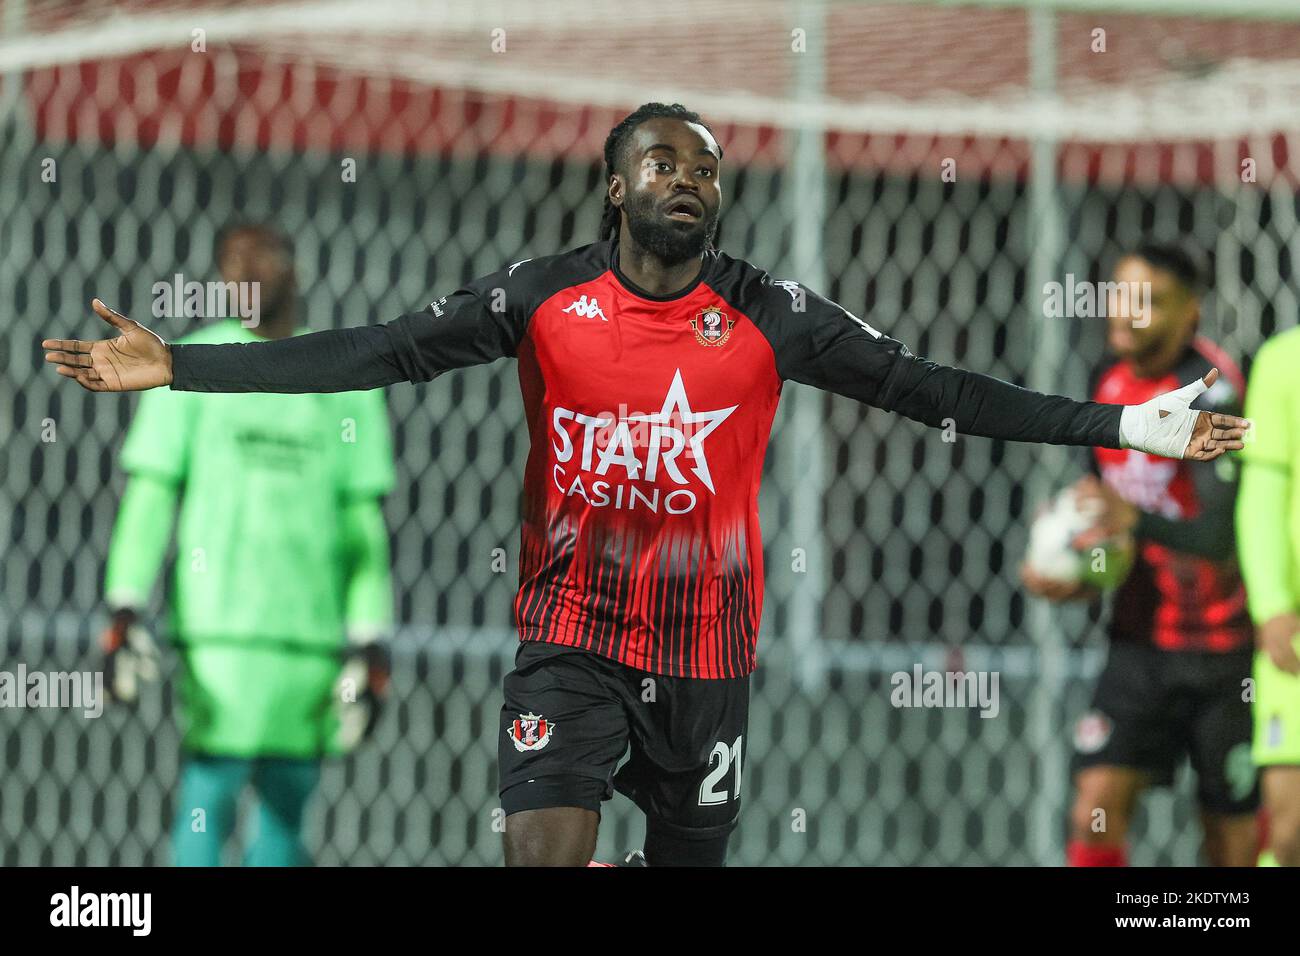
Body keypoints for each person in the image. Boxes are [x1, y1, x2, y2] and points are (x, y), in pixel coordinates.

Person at [45, 103, 1248, 867]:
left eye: (708, 170)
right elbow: (381, 349)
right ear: (617, 186)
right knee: (540, 845)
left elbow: (938, 389)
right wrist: (185, 366)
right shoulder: (542, 295)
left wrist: (1126, 418)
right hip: (569, 635)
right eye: (663, 162)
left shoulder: (772, 314)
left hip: (708, 656)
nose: (690, 180)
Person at [98, 223, 396, 865]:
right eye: (230, 265)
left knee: (286, 816)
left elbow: (361, 525)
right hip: (217, 636)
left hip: (309, 641)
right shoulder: (186, 365)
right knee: (210, 794)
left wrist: (371, 639)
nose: (244, 276)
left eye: (259, 260)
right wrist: (124, 605)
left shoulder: (342, 376)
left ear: (295, 269)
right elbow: (151, 496)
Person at [1022, 242, 1258, 866]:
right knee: (1095, 805)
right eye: (1120, 296)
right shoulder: (1108, 381)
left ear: (1190, 314)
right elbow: (1109, 535)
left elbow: (1219, 536)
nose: (1126, 314)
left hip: (1222, 652)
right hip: (1137, 647)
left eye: (1148, 301)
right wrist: (1075, 572)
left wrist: (1134, 520)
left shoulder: (1214, 392)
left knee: (1232, 840)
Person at [1236, 325, 1300, 866]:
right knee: (1290, 826)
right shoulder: (1284, 360)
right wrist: (1272, 604)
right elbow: (1261, 496)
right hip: (1296, 628)